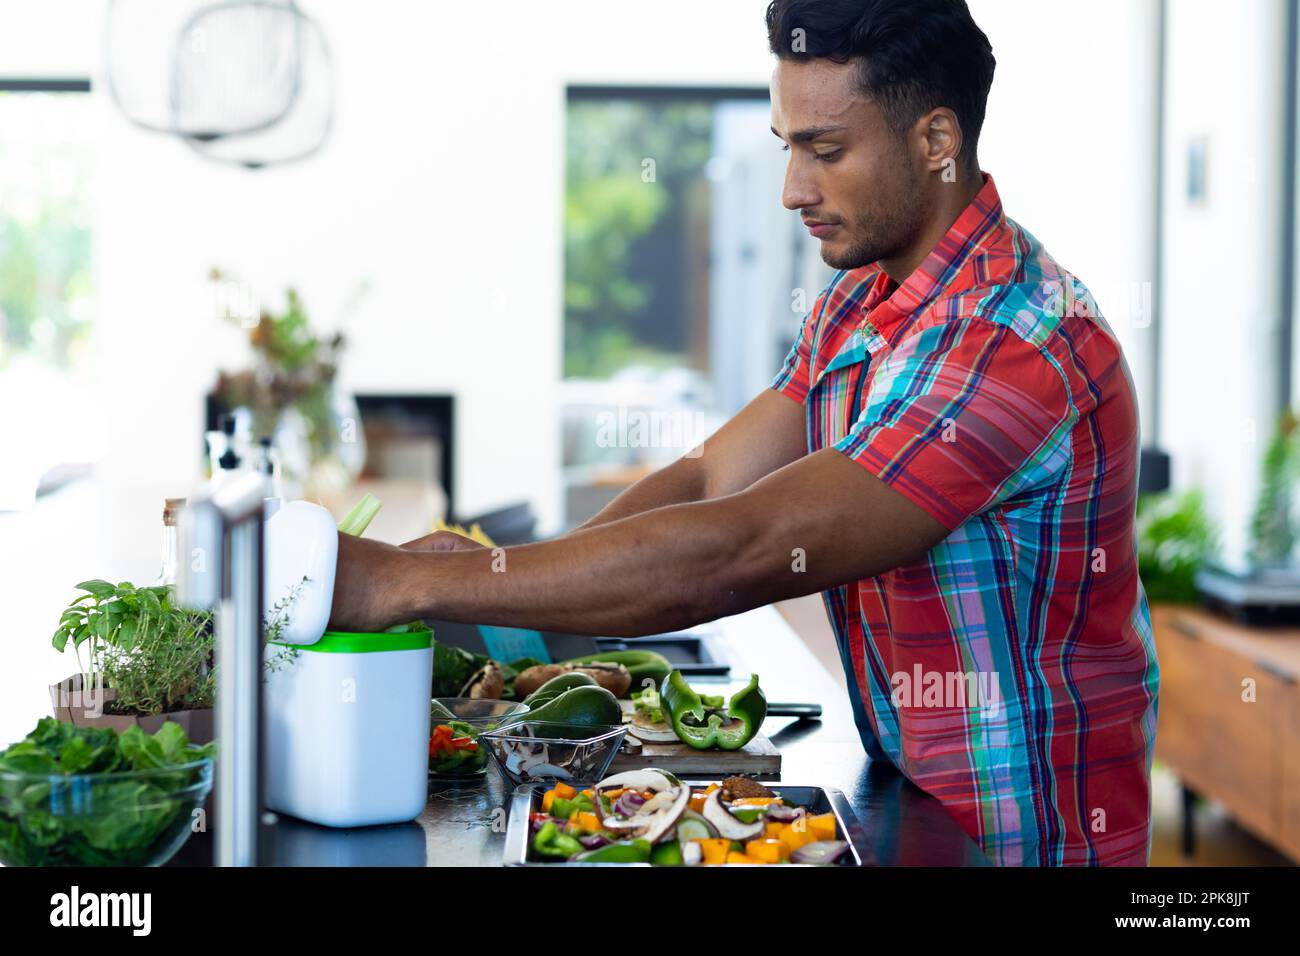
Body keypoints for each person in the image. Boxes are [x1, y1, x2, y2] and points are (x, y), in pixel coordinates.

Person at [330, 0, 1158, 866]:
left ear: (937, 140)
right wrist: (517, 586)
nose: (794, 189)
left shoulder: (1011, 342)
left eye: (826, 151)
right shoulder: (857, 302)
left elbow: (742, 547)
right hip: (917, 807)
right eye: (787, 146)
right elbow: (707, 478)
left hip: (1032, 841)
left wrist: (403, 582)